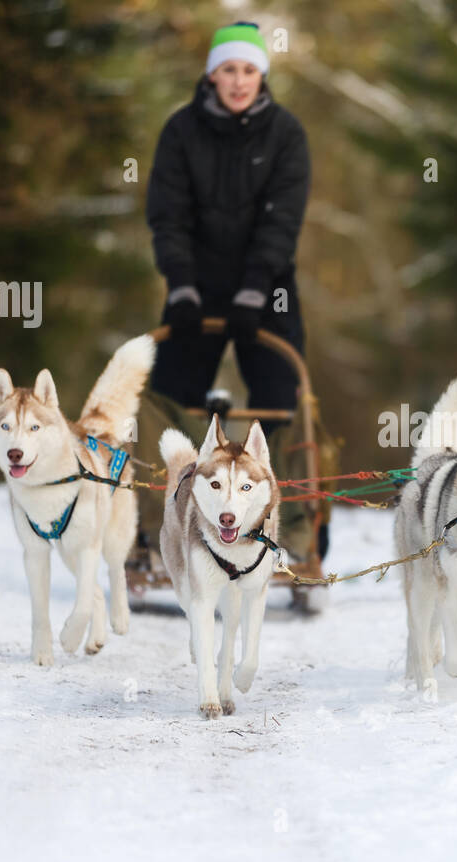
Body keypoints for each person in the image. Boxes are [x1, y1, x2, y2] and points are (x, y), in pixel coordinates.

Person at [131, 20, 311, 573]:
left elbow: (282, 221)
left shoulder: (286, 134)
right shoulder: (181, 132)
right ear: (211, 74)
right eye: (229, 69)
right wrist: (182, 286)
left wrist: (256, 289)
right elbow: (169, 215)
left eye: (249, 70)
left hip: (268, 289)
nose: (239, 81)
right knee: (165, 398)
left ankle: (294, 536)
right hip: (196, 288)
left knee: (285, 399)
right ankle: (162, 531)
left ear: (262, 75)